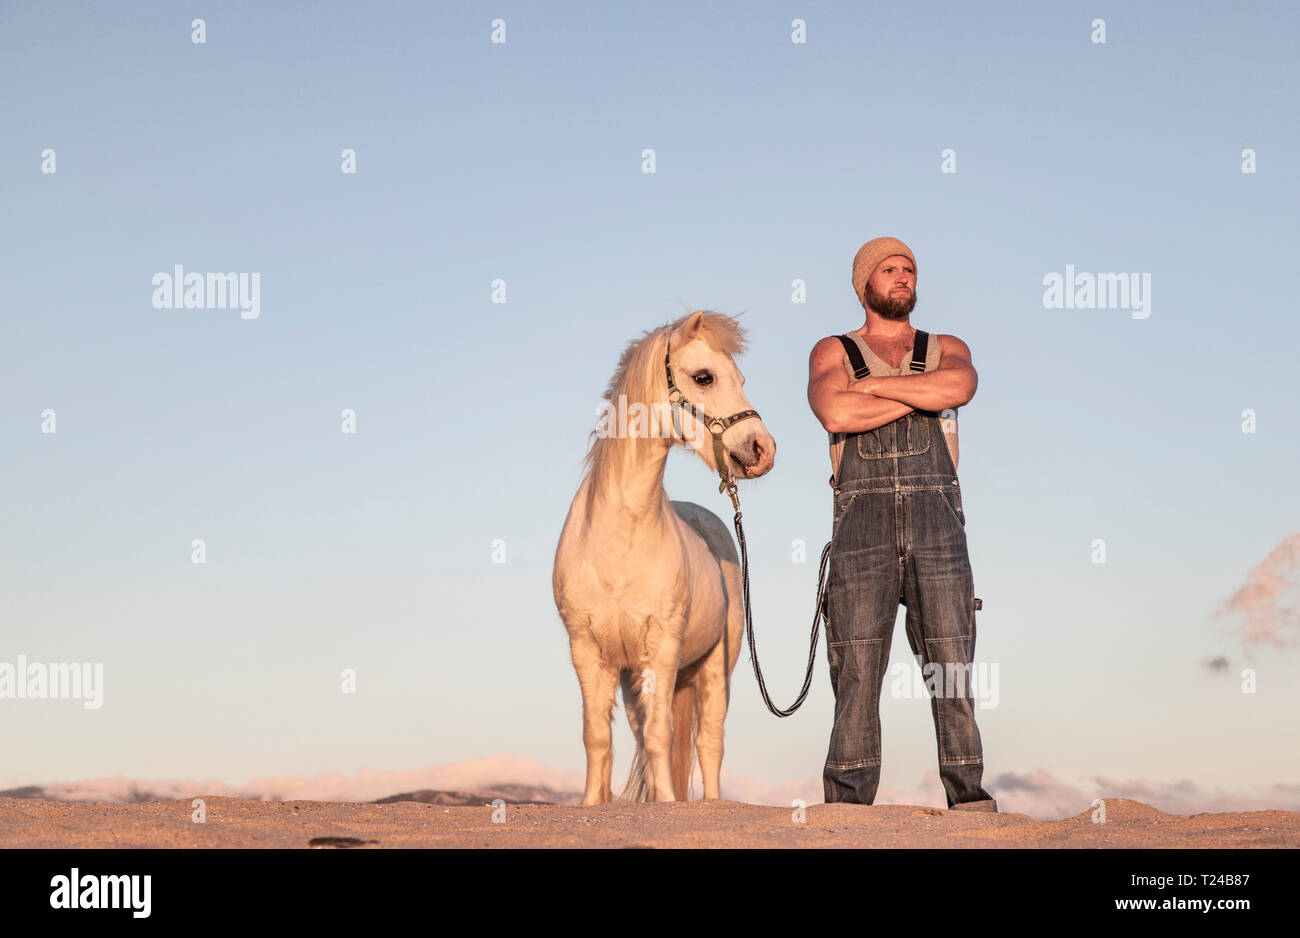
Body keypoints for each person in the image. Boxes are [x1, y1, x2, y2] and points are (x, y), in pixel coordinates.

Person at [806, 237, 997, 811]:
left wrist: (875, 389)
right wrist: (921, 397)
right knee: (858, 664)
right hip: (860, 522)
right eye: (889, 269)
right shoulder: (831, 350)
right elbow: (836, 411)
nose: (902, 277)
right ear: (864, 282)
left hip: (938, 519)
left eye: (909, 269)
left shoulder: (947, 346)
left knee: (952, 661)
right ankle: (847, 808)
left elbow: (960, 386)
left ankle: (969, 802)